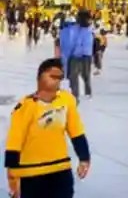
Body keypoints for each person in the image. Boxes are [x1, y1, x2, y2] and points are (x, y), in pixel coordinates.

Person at [4, 58, 91, 198]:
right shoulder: (25, 107)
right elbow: (14, 141)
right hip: (31, 174)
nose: (56, 80)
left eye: (59, 77)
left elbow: (76, 131)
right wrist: (13, 178)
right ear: (39, 78)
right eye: (52, 76)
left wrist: (84, 157)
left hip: (61, 170)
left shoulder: (66, 100)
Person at [59, 10, 95, 101]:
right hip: (77, 55)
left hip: (84, 55)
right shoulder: (77, 28)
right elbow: (69, 36)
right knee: (74, 76)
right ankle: (75, 95)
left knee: (85, 75)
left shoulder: (88, 29)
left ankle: (87, 92)